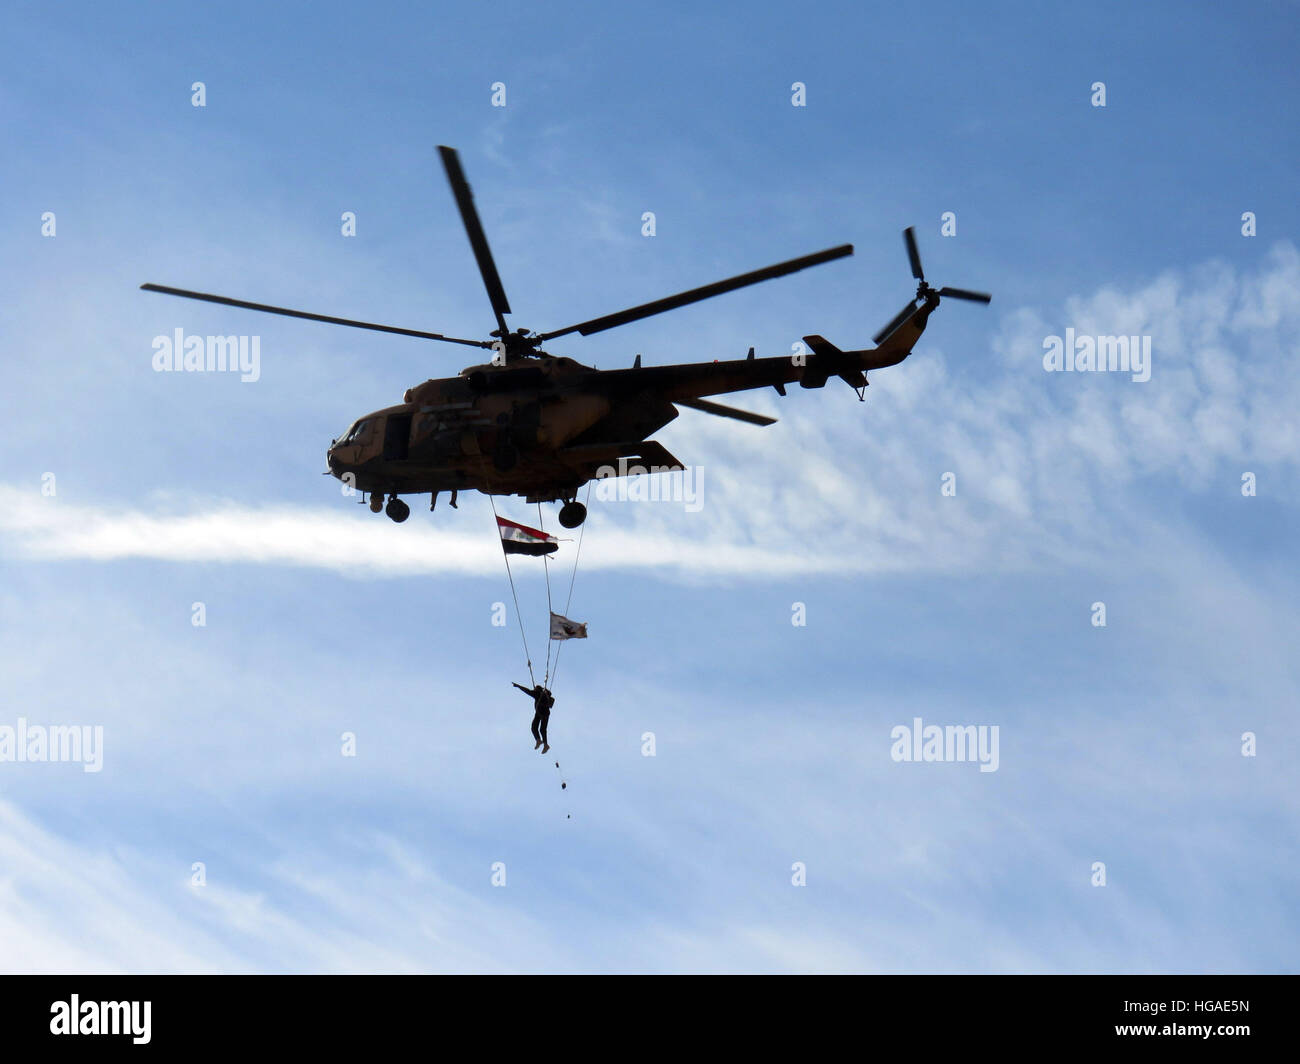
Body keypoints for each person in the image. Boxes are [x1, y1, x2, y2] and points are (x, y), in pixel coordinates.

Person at [512, 681, 554, 752]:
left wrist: (518, 686)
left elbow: (527, 691)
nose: (533, 690)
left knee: (534, 727)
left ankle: (539, 740)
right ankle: (544, 744)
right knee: (542, 729)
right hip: (545, 713)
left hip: (541, 712)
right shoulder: (545, 695)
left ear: (537, 689)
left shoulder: (537, 693)